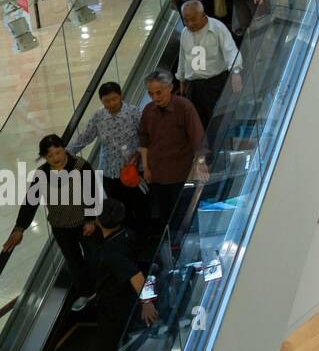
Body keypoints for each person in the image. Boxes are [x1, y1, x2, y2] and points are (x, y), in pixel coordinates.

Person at [3, 135, 100, 312]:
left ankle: (103, 288)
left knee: (94, 257)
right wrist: (20, 228)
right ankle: (87, 293)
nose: (56, 158)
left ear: (64, 149)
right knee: (74, 262)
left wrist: (90, 220)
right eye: (50, 156)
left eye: (58, 152)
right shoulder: (42, 174)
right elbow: (30, 202)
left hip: (84, 225)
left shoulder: (80, 166)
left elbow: (92, 192)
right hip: (60, 228)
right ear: (45, 157)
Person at [138, 69, 208, 240]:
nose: (155, 97)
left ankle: (188, 246)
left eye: (159, 92)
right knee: (164, 218)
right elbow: (144, 141)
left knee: (184, 216)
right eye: (151, 93)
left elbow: (197, 137)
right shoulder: (148, 110)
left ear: (170, 87)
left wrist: (200, 163)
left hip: (181, 174)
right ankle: (170, 248)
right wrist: (146, 167)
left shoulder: (184, 107)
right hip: (157, 174)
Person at [67, 82, 144, 233]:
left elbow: (146, 137)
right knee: (116, 208)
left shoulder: (134, 113)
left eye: (114, 99)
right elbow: (84, 138)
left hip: (133, 170)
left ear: (121, 96)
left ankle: (142, 236)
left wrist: (139, 153)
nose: (111, 103)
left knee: (138, 205)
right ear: (101, 100)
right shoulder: (99, 117)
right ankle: (123, 236)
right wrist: (64, 154)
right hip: (110, 171)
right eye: (107, 101)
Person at [93, 197, 155, 351]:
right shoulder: (126, 233)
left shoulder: (111, 252)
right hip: (125, 296)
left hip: (114, 306)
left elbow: (136, 276)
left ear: (99, 220)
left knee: (106, 350)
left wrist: (147, 302)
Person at [176, 0, 243, 128]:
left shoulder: (217, 28)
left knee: (220, 122)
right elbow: (183, 57)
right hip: (193, 87)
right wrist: (181, 79)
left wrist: (236, 72)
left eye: (193, 19)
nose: (189, 24)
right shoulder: (185, 32)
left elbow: (231, 51)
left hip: (215, 84)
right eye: (186, 20)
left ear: (203, 15)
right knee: (197, 124)